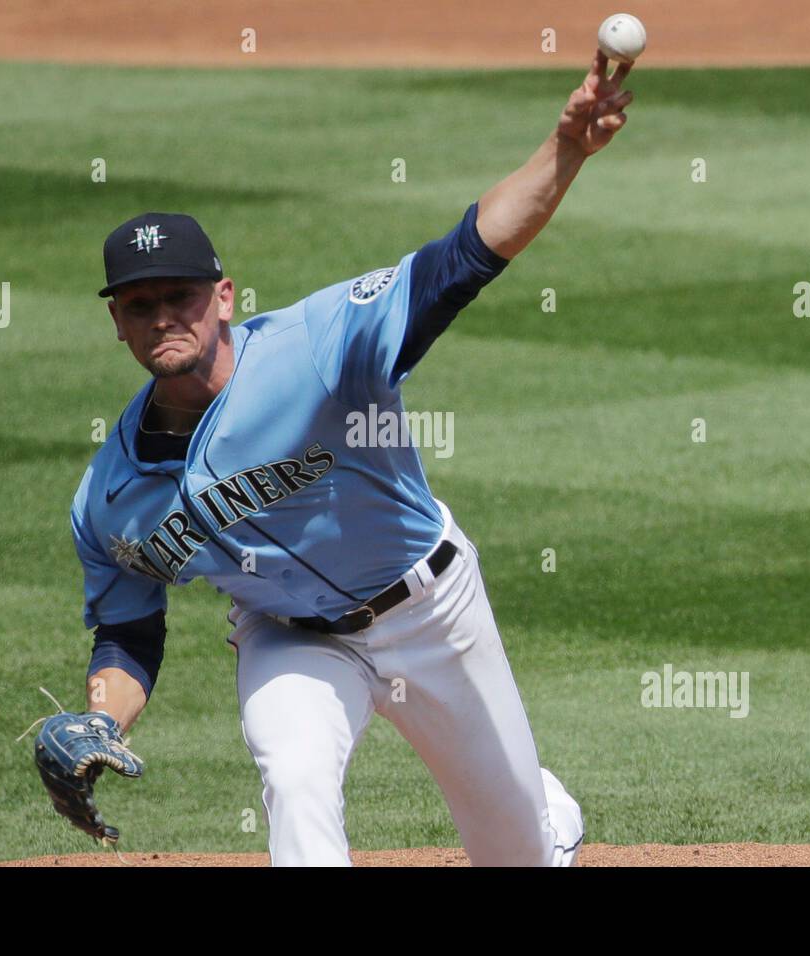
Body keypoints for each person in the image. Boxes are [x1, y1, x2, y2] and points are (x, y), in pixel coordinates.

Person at [36, 51, 636, 866]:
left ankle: (544, 815)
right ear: (116, 322)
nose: (160, 318)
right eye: (138, 305)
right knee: (295, 772)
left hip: (431, 611)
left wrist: (564, 151)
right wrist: (101, 719)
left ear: (223, 297)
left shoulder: (318, 349)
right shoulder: (108, 497)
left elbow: (463, 259)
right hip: (290, 639)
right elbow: (128, 631)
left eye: (179, 296)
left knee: (517, 853)